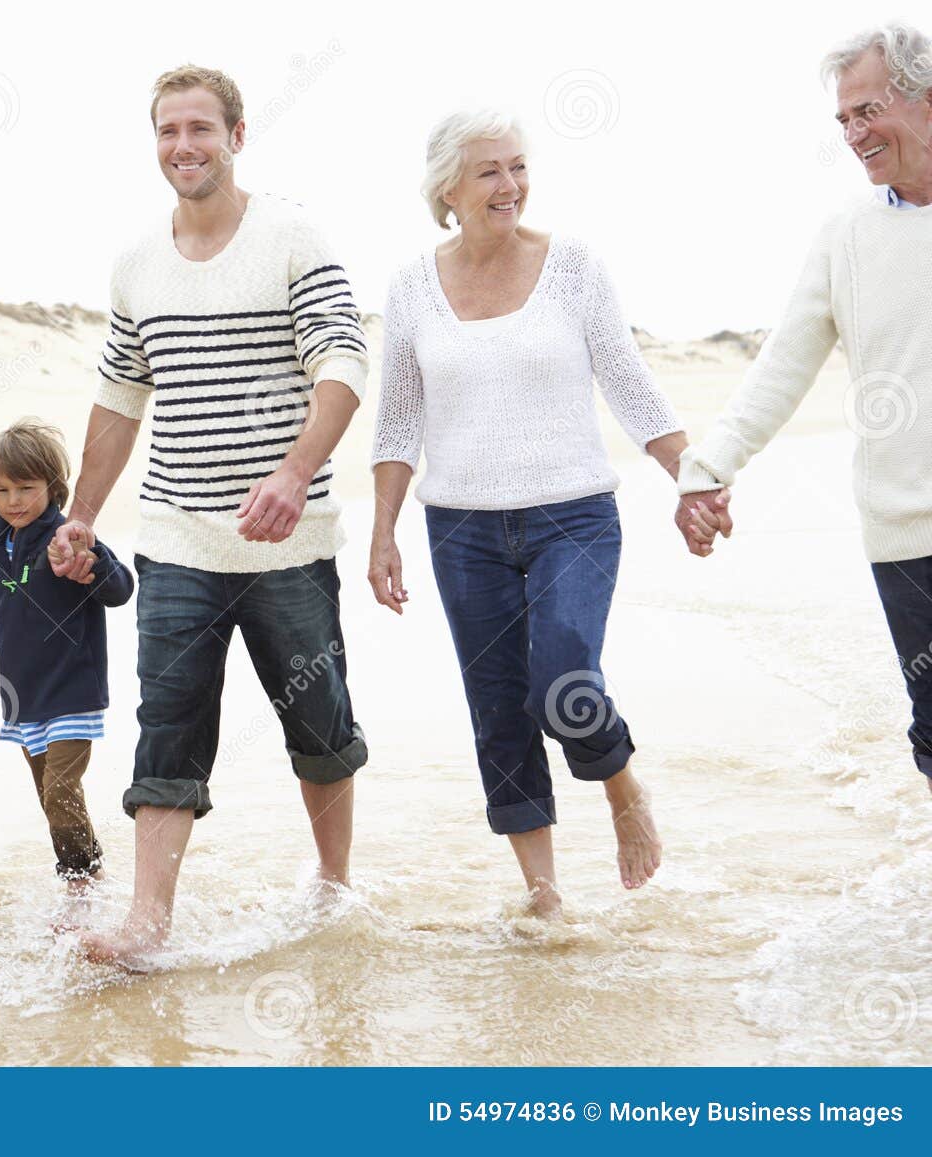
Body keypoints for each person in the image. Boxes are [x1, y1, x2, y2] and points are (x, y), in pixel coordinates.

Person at [50, 66, 370, 965]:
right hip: (177, 541)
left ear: (236, 134)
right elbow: (120, 397)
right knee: (169, 720)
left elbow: (343, 365)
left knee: (320, 726)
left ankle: (334, 884)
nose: (182, 146)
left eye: (200, 128)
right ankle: (149, 921)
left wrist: (295, 470)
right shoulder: (137, 261)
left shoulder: (294, 240)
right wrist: (80, 515)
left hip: (289, 545)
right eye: (166, 131)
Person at [370, 111, 686, 917]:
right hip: (462, 529)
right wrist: (383, 533)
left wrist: (697, 479)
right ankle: (544, 895)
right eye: (489, 172)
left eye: (517, 167)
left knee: (562, 682)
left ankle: (620, 787)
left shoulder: (573, 266)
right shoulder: (411, 286)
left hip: (572, 516)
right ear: (448, 187)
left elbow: (629, 381)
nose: (509, 186)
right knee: (499, 710)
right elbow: (399, 421)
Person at [676, 23, 932, 798]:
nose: (855, 133)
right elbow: (782, 365)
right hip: (905, 534)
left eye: (868, 111)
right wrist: (707, 467)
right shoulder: (844, 237)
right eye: (844, 119)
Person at [0, 421, 133, 908]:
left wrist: (91, 561)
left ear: (53, 487)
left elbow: (121, 589)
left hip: (73, 688)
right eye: (2, 490)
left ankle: (78, 885)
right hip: (25, 695)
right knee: (50, 794)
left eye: (26, 488)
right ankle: (92, 874)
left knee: (61, 787)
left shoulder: (66, 536)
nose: (14, 500)